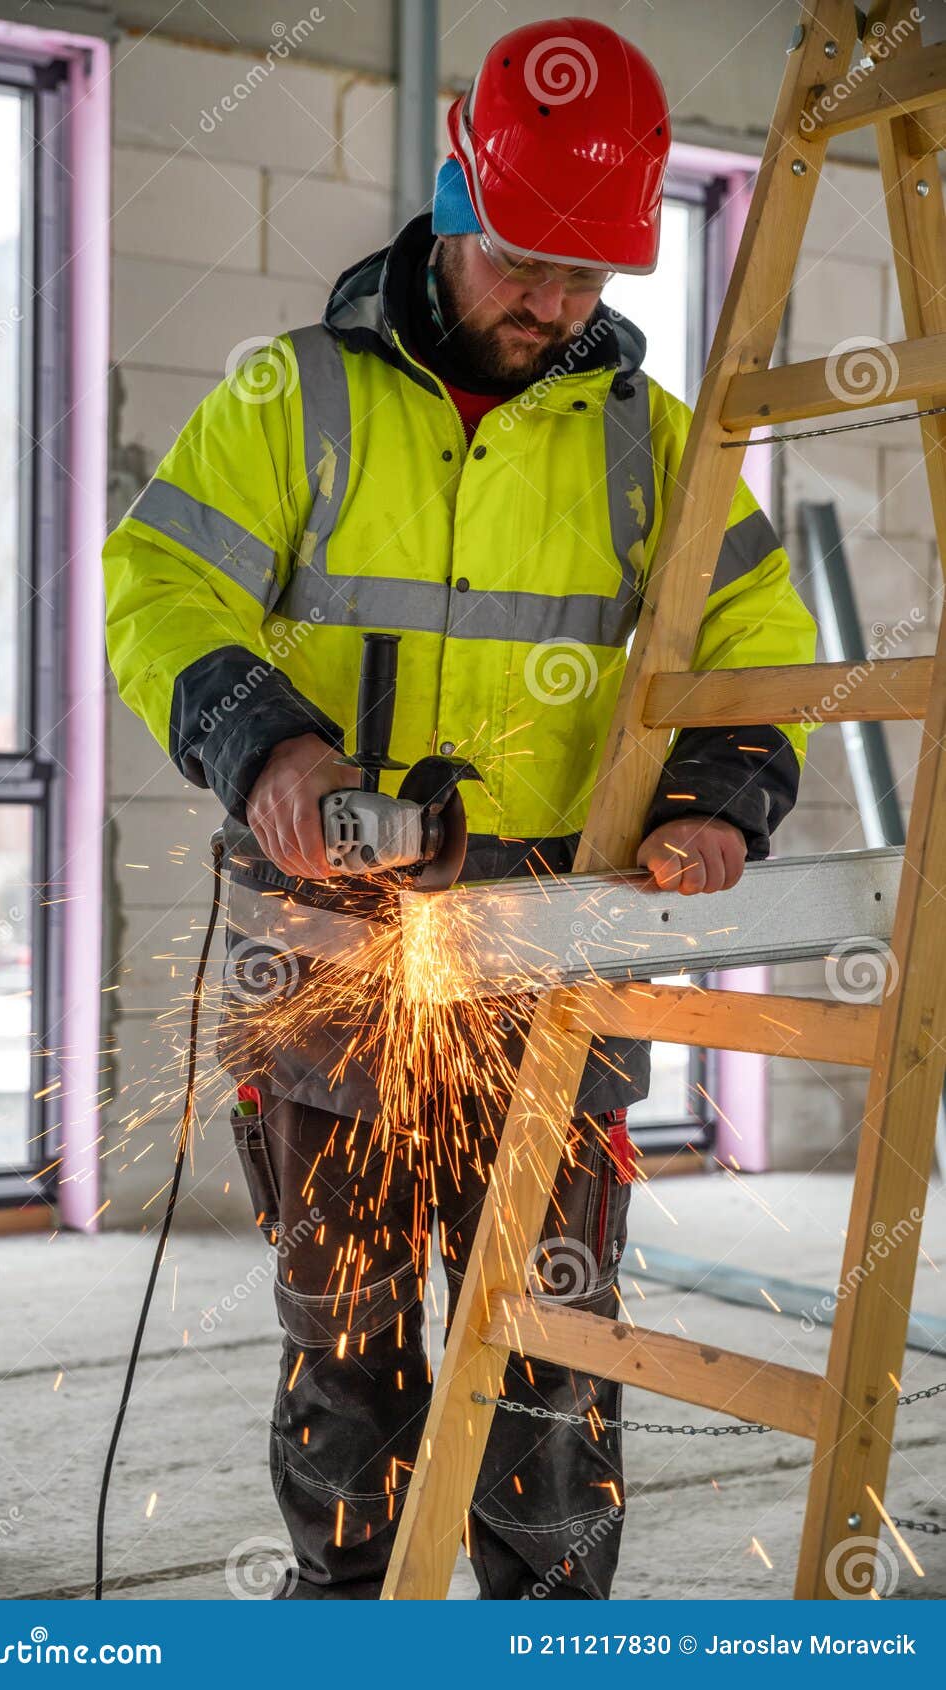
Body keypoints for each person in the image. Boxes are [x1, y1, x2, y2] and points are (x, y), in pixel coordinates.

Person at [103, 17, 816, 1600]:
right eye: (525, 262)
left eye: (589, 277)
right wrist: (267, 745)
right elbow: (153, 583)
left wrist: (719, 797)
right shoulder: (294, 396)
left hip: (548, 951)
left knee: (551, 1345)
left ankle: (547, 1634)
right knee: (342, 1339)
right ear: (453, 184)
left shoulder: (651, 442)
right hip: (331, 944)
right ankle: (351, 1616)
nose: (555, 305)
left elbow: (757, 634)